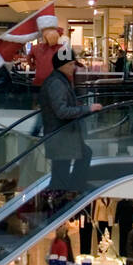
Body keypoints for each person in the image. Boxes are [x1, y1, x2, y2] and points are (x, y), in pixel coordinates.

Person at [39, 45, 101, 193]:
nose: (74, 68)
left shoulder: (58, 81)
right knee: (61, 172)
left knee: (81, 156)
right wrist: (87, 109)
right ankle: (70, 191)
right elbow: (61, 111)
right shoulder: (57, 83)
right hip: (61, 136)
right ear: (63, 65)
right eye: (72, 64)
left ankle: (72, 189)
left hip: (62, 136)